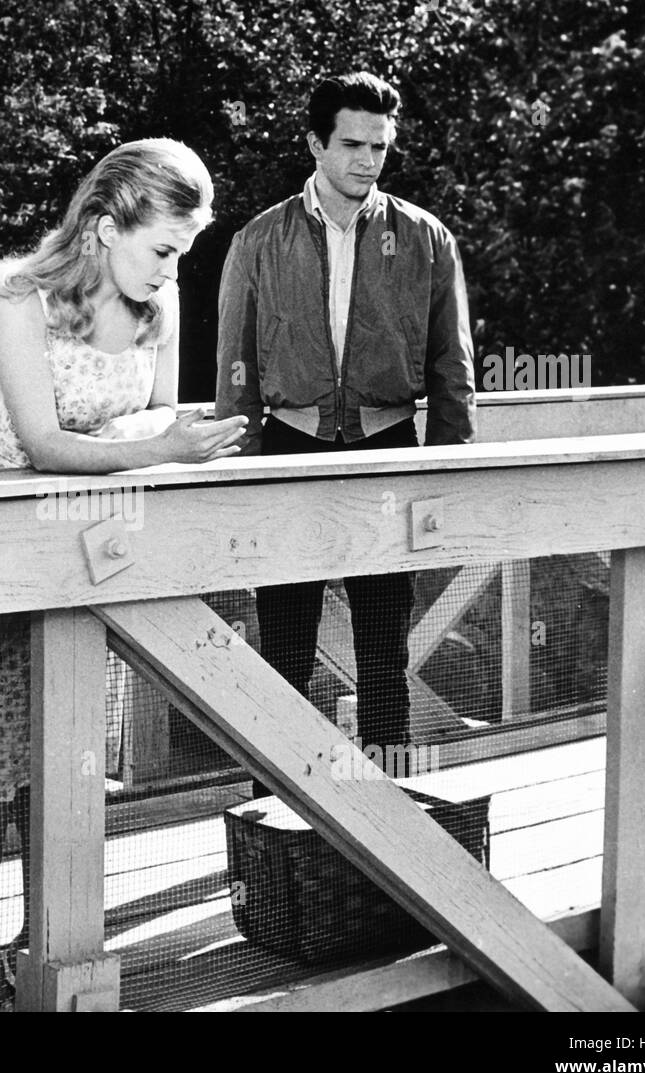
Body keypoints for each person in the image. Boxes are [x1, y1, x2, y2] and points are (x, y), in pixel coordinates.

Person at [0, 138, 246, 1009]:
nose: (173, 271)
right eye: (163, 249)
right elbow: (46, 443)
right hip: (5, 557)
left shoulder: (160, 302)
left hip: (95, 562)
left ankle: (43, 933)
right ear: (101, 227)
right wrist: (161, 446)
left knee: (64, 757)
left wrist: (165, 439)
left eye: (184, 253)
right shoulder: (19, 294)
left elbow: (163, 409)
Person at [215, 72, 475, 784]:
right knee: (287, 650)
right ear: (315, 142)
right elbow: (233, 372)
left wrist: (447, 474)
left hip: (389, 449)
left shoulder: (426, 238)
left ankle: (393, 803)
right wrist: (239, 478)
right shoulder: (259, 239)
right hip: (287, 451)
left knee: (384, 650)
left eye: (380, 146)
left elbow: (454, 367)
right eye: (353, 143)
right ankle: (282, 802)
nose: (368, 159)